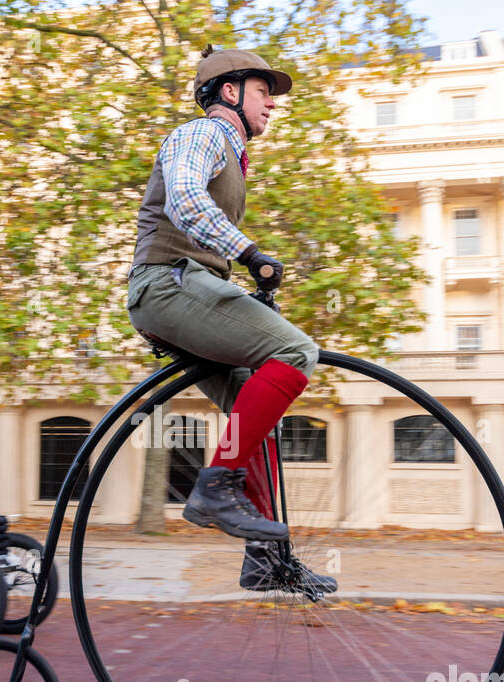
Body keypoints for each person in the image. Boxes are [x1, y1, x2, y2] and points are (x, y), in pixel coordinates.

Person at [125, 45, 336, 594]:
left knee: (257, 414)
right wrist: (252, 255)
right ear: (229, 92)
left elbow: (203, 234)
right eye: (265, 92)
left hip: (184, 288)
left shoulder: (232, 154)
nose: (272, 104)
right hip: (165, 284)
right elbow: (187, 203)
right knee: (295, 352)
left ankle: (267, 559)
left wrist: (245, 284)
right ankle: (214, 489)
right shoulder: (203, 135)